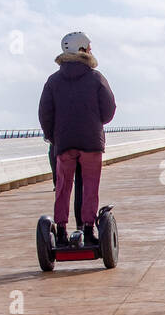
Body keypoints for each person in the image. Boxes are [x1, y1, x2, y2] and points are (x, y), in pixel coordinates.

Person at [38, 31, 117, 248]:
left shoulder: (53, 81)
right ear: (82, 50)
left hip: (64, 143)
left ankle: (61, 231)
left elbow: (45, 113)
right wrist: (94, 122)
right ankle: (89, 229)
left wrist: (53, 137)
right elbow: (109, 111)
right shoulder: (96, 78)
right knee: (90, 186)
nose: (91, 51)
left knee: (63, 186)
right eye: (89, 47)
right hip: (91, 141)